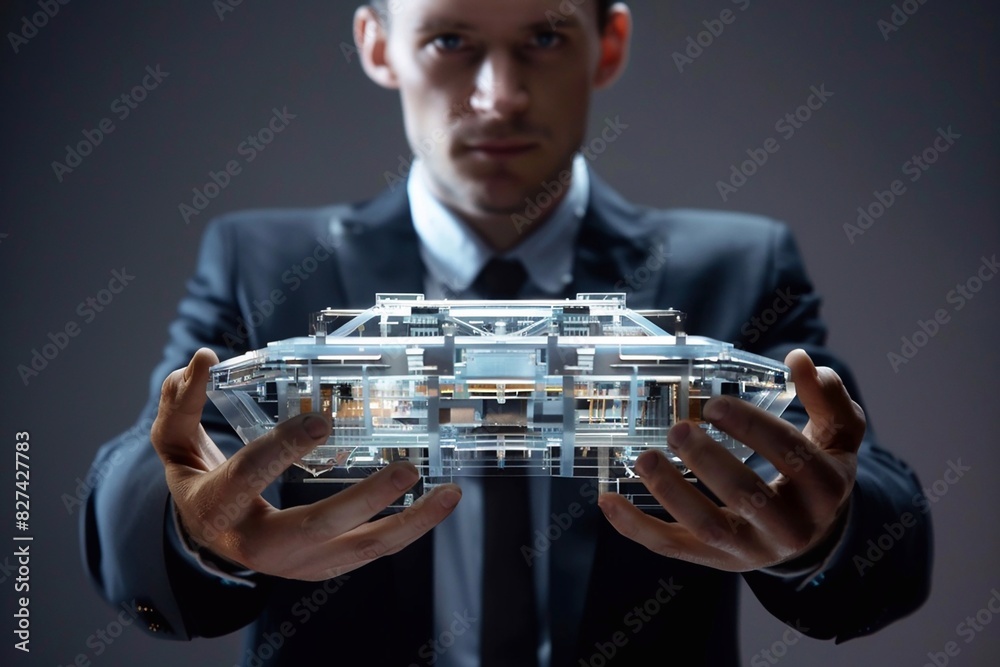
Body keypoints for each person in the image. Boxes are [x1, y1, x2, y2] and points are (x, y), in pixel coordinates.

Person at [81, 1, 932, 665]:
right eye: (450, 40)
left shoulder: (739, 266)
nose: (499, 96)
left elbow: (884, 527)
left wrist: (824, 534)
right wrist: (193, 531)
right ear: (378, 46)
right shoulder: (261, 261)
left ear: (609, 45)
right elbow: (145, 486)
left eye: (545, 38)